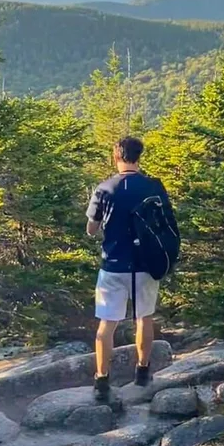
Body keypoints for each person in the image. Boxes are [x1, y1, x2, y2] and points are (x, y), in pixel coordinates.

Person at [85, 136, 178, 401]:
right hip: (146, 264)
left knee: (107, 324)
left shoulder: (104, 188)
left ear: (116, 156)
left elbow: (91, 229)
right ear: (139, 157)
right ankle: (142, 372)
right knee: (144, 318)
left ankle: (102, 381)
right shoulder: (153, 187)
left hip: (113, 264)